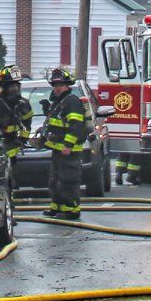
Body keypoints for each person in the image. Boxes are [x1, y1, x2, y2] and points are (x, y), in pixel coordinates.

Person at [41, 67, 91, 222]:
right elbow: (56, 123)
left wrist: (68, 145)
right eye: (55, 86)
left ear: (67, 86)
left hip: (69, 150)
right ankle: (57, 206)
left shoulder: (71, 102)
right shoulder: (58, 102)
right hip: (58, 148)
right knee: (55, 179)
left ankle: (72, 209)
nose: (57, 88)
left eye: (60, 86)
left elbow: (75, 126)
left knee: (68, 179)